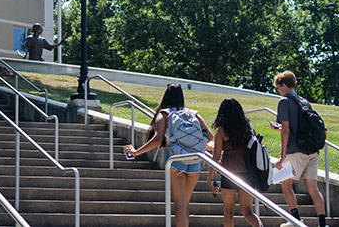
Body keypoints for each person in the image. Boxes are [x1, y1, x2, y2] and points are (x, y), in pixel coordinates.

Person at [123, 84, 212, 227]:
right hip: (195, 160)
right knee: (185, 204)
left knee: (179, 204)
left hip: (176, 160)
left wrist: (136, 152)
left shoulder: (164, 114)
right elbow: (210, 136)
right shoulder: (193, 113)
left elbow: (158, 139)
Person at [272, 71, 328, 227]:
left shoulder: (284, 101)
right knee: (313, 188)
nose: (278, 90)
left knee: (286, 183)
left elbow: (286, 130)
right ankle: (323, 224)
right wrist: (280, 128)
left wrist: (282, 156)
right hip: (312, 149)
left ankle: (295, 221)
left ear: (284, 85)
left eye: (278, 87)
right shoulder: (304, 101)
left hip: (295, 150)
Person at [207, 98, 264, 227]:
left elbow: (216, 157)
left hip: (229, 174)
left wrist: (210, 179)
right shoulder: (249, 129)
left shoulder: (221, 131)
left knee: (228, 212)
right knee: (248, 211)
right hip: (247, 174)